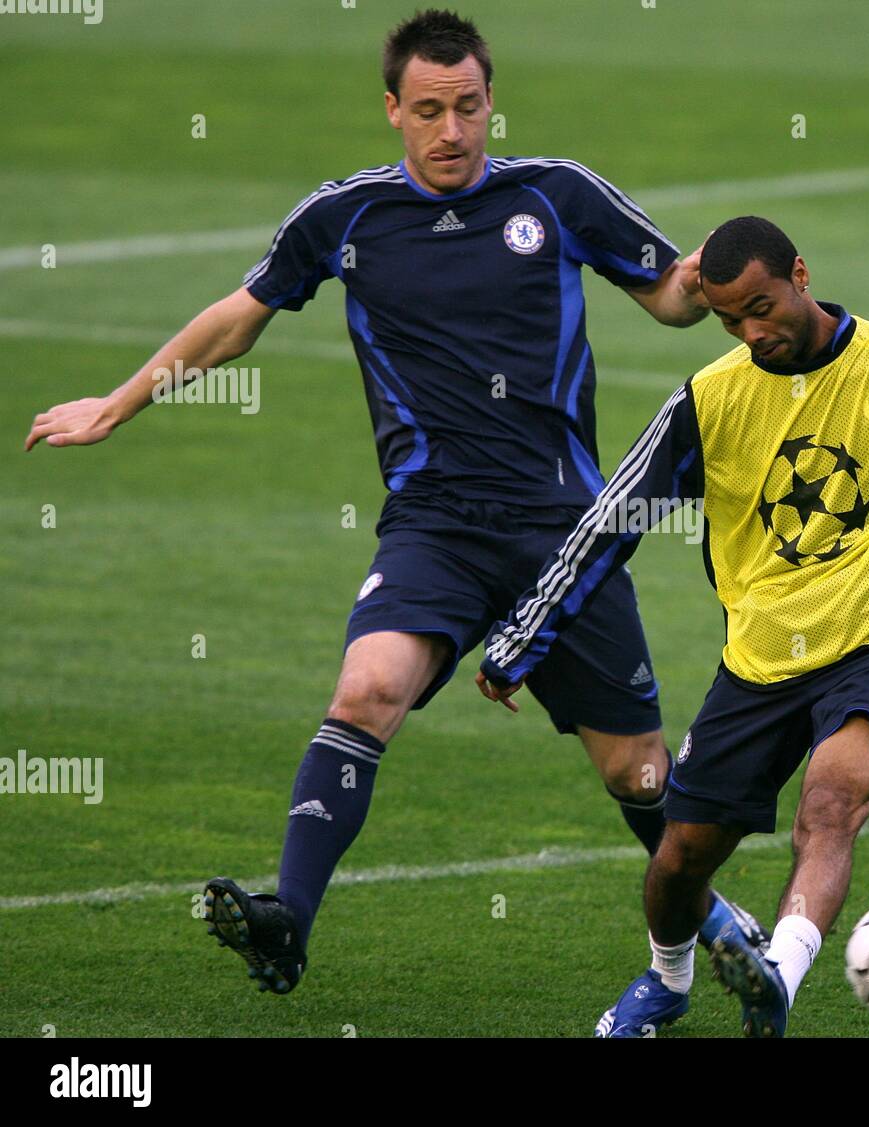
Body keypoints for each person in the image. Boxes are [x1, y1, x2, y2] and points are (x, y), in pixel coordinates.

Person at [24, 9, 764, 997]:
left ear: (491, 100)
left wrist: (721, 277)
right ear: (392, 110)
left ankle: (706, 912)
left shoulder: (556, 196)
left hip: (564, 535)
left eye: (467, 108)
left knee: (635, 774)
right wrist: (119, 403)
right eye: (428, 111)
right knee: (365, 691)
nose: (451, 130)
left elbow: (670, 298)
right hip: (433, 528)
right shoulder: (346, 218)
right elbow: (235, 321)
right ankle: (287, 918)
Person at [478, 215, 869, 1036]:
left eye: (762, 307)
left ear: (801, 275)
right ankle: (668, 981)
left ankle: (775, 976)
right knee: (679, 861)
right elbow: (612, 521)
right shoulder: (710, 399)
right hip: (761, 655)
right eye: (729, 319)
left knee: (830, 802)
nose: (752, 332)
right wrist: (526, 636)